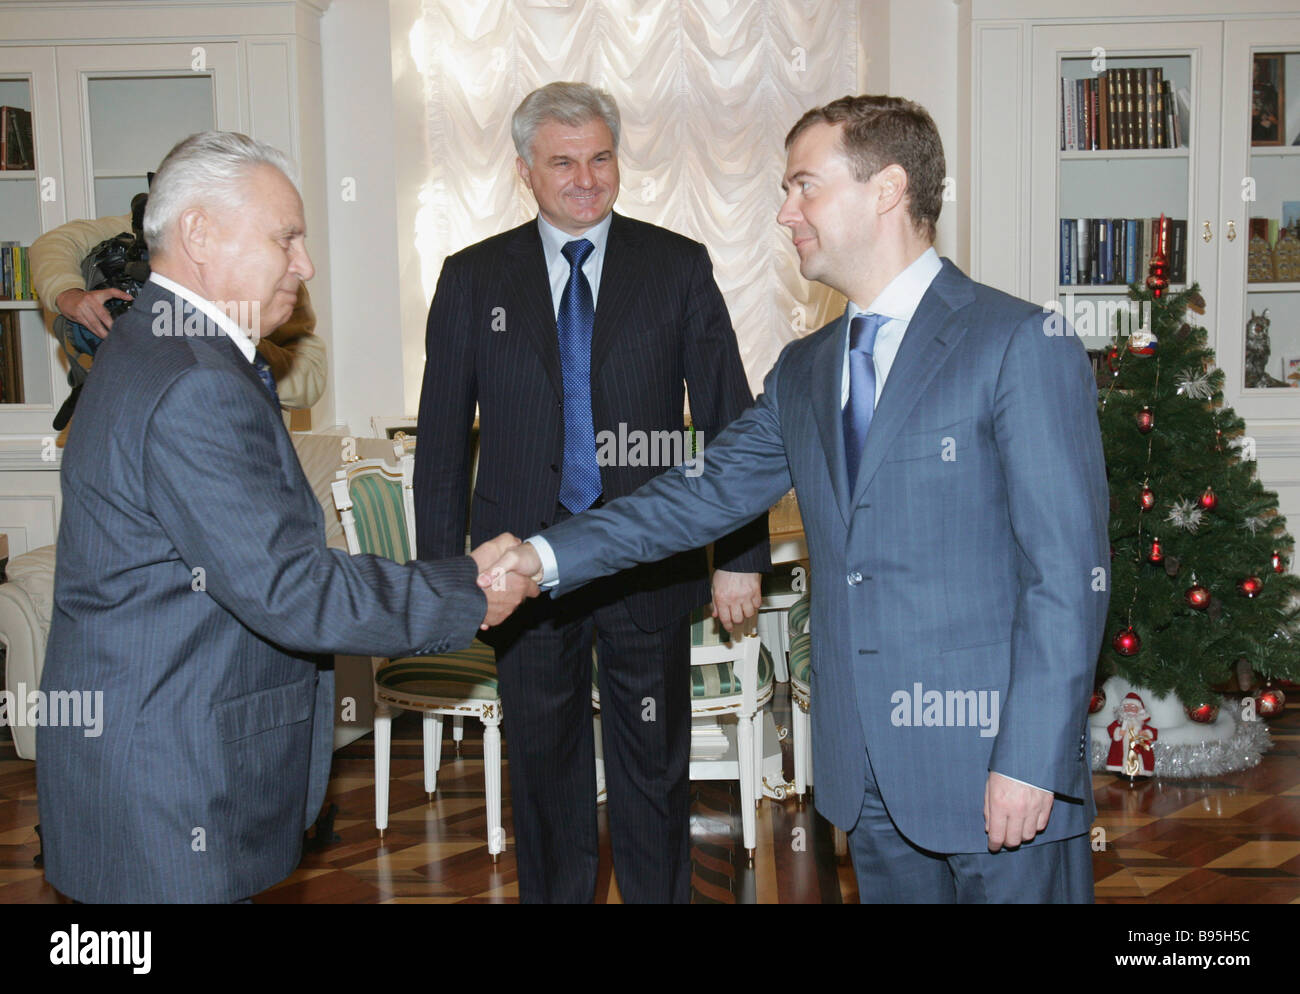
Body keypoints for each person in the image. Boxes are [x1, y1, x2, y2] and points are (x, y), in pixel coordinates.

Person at [483, 95, 1110, 903]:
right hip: (868, 782)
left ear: (885, 189)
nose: (786, 213)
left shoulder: (1020, 343)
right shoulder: (807, 368)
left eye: (804, 187)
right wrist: (543, 554)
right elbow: (694, 495)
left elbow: (1067, 578)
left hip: (999, 770)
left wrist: (1030, 757)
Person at [36, 131, 537, 904]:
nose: (303, 265)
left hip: (158, 765)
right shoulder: (191, 379)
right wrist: (465, 588)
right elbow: (291, 589)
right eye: (287, 238)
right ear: (199, 234)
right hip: (172, 789)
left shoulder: (165, 348)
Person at [414, 81, 770, 903]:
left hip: (645, 564)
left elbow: (730, 420)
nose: (585, 178)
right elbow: (439, 442)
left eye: (600, 158)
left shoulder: (676, 265)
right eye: (563, 162)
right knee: (546, 778)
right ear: (524, 171)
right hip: (518, 575)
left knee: (654, 771)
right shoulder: (471, 278)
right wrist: (442, 581)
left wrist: (739, 557)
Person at [31, 207, 327, 410]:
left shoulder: (276, 272)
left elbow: (309, 382)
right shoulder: (146, 232)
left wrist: (233, 334)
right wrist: (68, 293)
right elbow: (55, 242)